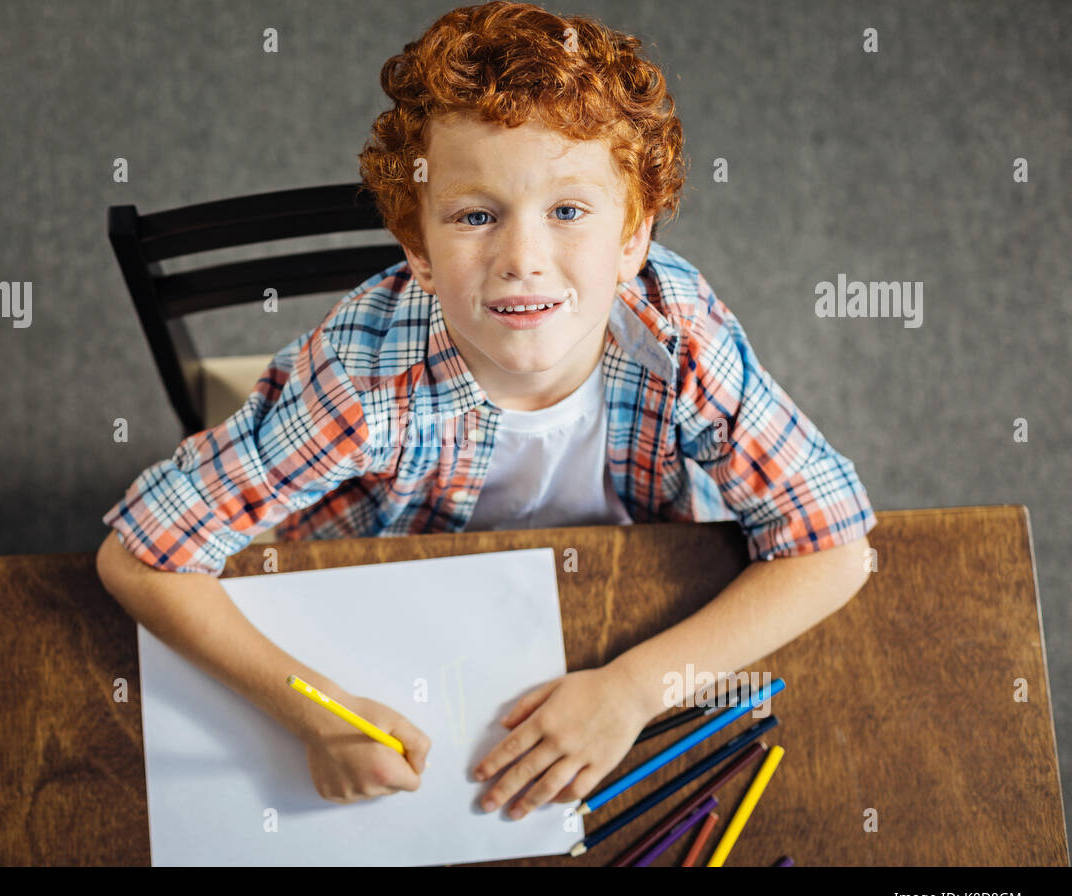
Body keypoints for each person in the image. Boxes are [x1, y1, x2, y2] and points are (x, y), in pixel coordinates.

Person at [97, 1, 876, 822]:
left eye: (569, 211)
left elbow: (834, 550)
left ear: (632, 240)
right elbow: (140, 556)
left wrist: (636, 689)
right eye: (476, 216)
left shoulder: (680, 337)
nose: (523, 262)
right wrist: (314, 713)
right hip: (393, 585)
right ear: (421, 254)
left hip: (619, 583)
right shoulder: (363, 380)